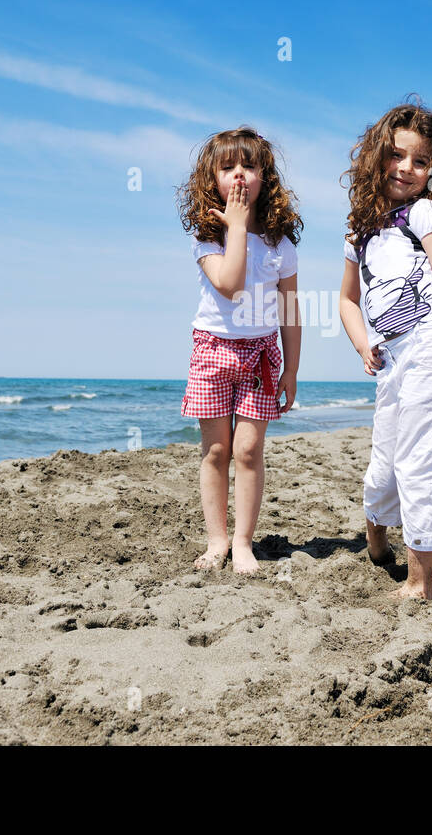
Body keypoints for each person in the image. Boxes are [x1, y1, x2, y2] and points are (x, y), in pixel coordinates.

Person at [338, 100, 432, 600]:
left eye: (421, 162)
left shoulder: (424, 212)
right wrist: (362, 343)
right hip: (391, 358)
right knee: (384, 462)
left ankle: (421, 581)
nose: (407, 169)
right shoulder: (361, 226)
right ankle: (376, 536)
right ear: (377, 157)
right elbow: (347, 299)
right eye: (397, 156)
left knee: (420, 460)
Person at [178, 127, 302, 574]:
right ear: (210, 179)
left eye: (248, 166)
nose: (238, 176)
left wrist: (291, 368)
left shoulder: (279, 244)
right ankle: (217, 541)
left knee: (249, 450)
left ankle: (244, 543)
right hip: (212, 349)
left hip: (261, 353)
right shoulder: (207, 237)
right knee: (217, 451)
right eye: (227, 167)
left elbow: (289, 309)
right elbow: (229, 285)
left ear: (264, 177)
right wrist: (234, 227)